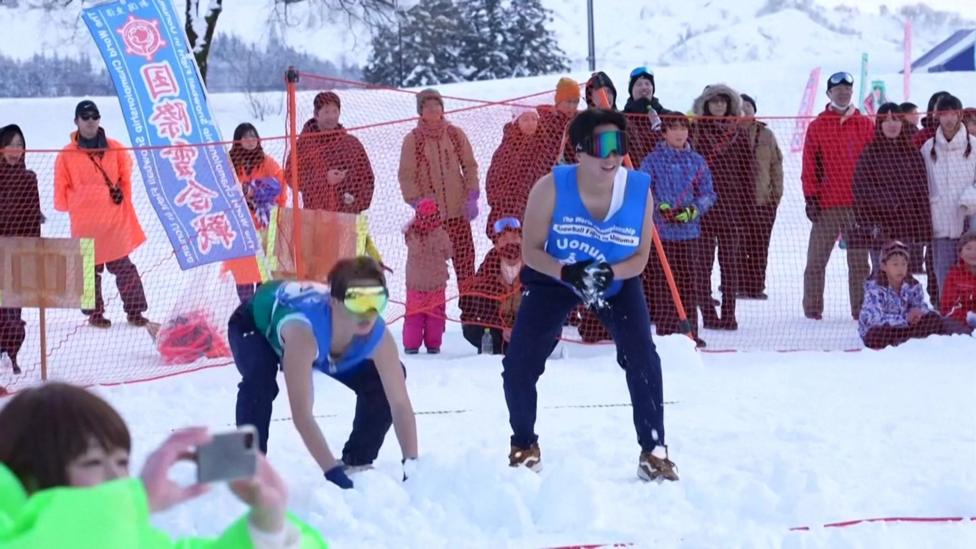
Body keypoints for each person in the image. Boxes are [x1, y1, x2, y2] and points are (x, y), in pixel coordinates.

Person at [502, 109, 678, 482]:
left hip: (615, 279)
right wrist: (568, 271)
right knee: (520, 360)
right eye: (602, 146)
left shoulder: (638, 191)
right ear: (579, 151)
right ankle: (524, 444)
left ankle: (654, 450)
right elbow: (531, 250)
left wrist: (606, 273)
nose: (612, 156)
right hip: (557, 276)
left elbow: (640, 258)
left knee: (643, 357)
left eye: (619, 145)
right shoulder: (550, 188)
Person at [0, 382, 327, 548]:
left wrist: (268, 526)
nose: (118, 477)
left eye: (122, 461)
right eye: (93, 461)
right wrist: (138, 499)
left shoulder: (130, 535)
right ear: (28, 475)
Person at [228, 256, 418, 489]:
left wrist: (412, 465)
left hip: (327, 339)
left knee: (386, 378)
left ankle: (357, 460)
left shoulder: (377, 334)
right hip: (254, 323)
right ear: (334, 302)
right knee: (260, 382)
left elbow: (399, 403)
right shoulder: (303, 334)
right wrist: (332, 473)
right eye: (357, 300)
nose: (368, 312)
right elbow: (302, 415)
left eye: (376, 300)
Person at [54, 100, 149, 328]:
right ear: (76, 121)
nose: (90, 121)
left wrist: (118, 199)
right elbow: (60, 194)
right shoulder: (65, 155)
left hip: (114, 221)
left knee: (124, 268)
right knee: (89, 270)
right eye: (85, 117)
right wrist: (83, 200)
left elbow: (126, 179)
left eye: (94, 116)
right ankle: (95, 314)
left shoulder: (116, 148)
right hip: (85, 224)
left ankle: (135, 311)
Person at [639, 112, 716, 348]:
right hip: (661, 235)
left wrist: (693, 210)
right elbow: (643, 188)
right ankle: (664, 332)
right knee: (662, 284)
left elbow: (708, 193)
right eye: (674, 128)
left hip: (689, 234)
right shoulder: (652, 160)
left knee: (689, 283)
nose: (680, 133)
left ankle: (689, 331)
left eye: (684, 128)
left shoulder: (697, 161)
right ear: (664, 132)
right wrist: (659, 206)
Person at [801, 72, 873, 321]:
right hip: (827, 205)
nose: (843, 93)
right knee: (816, 262)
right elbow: (809, 165)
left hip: (858, 206)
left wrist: (871, 199)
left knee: (859, 264)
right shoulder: (818, 126)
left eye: (847, 89)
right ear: (829, 94)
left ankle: (861, 310)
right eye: (838, 89)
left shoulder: (865, 124)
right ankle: (812, 310)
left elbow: (874, 163)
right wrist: (810, 198)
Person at [398, 88, 480, 285]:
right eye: (428, 106)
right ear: (420, 111)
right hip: (431, 220)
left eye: (437, 106)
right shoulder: (413, 139)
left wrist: (471, 196)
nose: (434, 110)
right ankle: (433, 313)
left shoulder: (454, 133)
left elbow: (469, 165)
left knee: (466, 267)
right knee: (432, 273)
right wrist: (418, 203)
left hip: (459, 214)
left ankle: (470, 312)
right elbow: (406, 176)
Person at [691, 84, 756, 330]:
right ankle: (708, 314)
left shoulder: (739, 134)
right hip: (703, 210)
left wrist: (748, 209)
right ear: (705, 105)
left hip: (731, 209)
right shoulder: (696, 131)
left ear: (730, 104)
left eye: (723, 101)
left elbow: (747, 173)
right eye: (714, 101)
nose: (718, 105)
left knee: (730, 265)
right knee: (702, 265)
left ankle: (729, 314)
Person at [852, 103, 932, 277]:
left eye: (895, 119)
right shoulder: (870, 153)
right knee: (881, 275)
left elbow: (921, 191)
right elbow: (861, 189)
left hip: (906, 227)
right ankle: (878, 305)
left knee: (903, 276)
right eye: (886, 120)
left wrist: (923, 226)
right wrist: (887, 201)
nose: (892, 124)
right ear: (879, 124)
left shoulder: (912, 153)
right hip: (879, 227)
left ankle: (904, 305)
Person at [858, 241, 968, 349]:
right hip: (885, 331)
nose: (900, 268)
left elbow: (921, 306)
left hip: (907, 328)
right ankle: (910, 340)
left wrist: (919, 313)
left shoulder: (912, 285)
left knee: (933, 319)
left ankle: (907, 341)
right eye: (895, 264)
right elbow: (874, 319)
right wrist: (905, 319)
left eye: (903, 264)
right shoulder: (874, 289)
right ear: (883, 266)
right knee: (876, 334)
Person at [225, 122, 287, 303]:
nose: (250, 140)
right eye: (245, 137)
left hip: (264, 226)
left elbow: (280, 186)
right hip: (240, 228)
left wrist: (264, 198)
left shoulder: (266, 162)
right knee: (243, 273)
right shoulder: (228, 164)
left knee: (263, 271)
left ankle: (260, 308)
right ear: (237, 140)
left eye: (253, 136)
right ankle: (246, 308)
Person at [921, 94, 976, 297]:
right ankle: (947, 316)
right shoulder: (928, 148)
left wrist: (969, 201)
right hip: (940, 224)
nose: (949, 118)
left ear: (961, 115)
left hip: (970, 223)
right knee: (943, 273)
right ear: (937, 117)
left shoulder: (974, 145)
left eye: (954, 113)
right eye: (944, 113)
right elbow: (923, 186)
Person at [0, 125, 42, 375]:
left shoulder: (29, 178)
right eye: (10, 144)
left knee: (12, 315)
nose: (15, 150)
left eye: (19, 145)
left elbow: (32, 219)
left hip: (16, 256)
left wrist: (32, 252)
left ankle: (9, 354)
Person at [292, 91, 375, 213]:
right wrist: (324, 178)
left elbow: (367, 178)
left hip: (347, 216)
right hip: (316, 216)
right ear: (316, 114)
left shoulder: (351, 144)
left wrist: (356, 201)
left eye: (335, 111)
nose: (331, 116)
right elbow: (291, 176)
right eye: (326, 112)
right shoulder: (304, 144)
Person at [459, 217, 529, 355]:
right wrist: (502, 328)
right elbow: (474, 305)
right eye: (503, 239)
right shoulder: (488, 267)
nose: (510, 242)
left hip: (526, 327)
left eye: (514, 236)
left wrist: (519, 328)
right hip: (496, 328)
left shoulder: (533, 263)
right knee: (471, 328)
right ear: (496, 245)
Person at [737, 94, 783, 300]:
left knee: (759, 244)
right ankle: (736, 284)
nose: (745, 109)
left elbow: (777, 166)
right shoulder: (728, 133)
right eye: (740, 106)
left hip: (762, 200)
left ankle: (756, 285)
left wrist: (775, 196)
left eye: (748, 106)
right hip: (736, 203)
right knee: (737, 244)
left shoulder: (766, 135)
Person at [484, 109, 546, 240]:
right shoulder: (506, 150)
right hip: (512, 213)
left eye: (534, 119)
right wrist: (511, 209)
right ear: (516, 122)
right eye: (525, 119)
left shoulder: (544, 146)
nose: (530, 123)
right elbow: (493, 183)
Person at [403, 198, 452, 354]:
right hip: (436, 285)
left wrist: (412, 224)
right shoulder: (441, 234)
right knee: (435, 316)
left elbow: (406, 233)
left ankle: (411, 345)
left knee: (413, 316)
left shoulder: (412, 234)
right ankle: (433, 344)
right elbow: (448, 253)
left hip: (414, 285)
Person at [622, 67, 665, 165]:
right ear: (631, 90)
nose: (644, 87)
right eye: (639, 84)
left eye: (647, 84)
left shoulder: (666, 116)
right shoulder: (621, 118)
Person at [940, 230, 976, 332]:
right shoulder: (954, 275)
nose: (973, 253)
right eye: (968, 248)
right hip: (959, 321)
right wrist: (968, 316)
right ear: (960, 253)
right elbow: (947, 307)